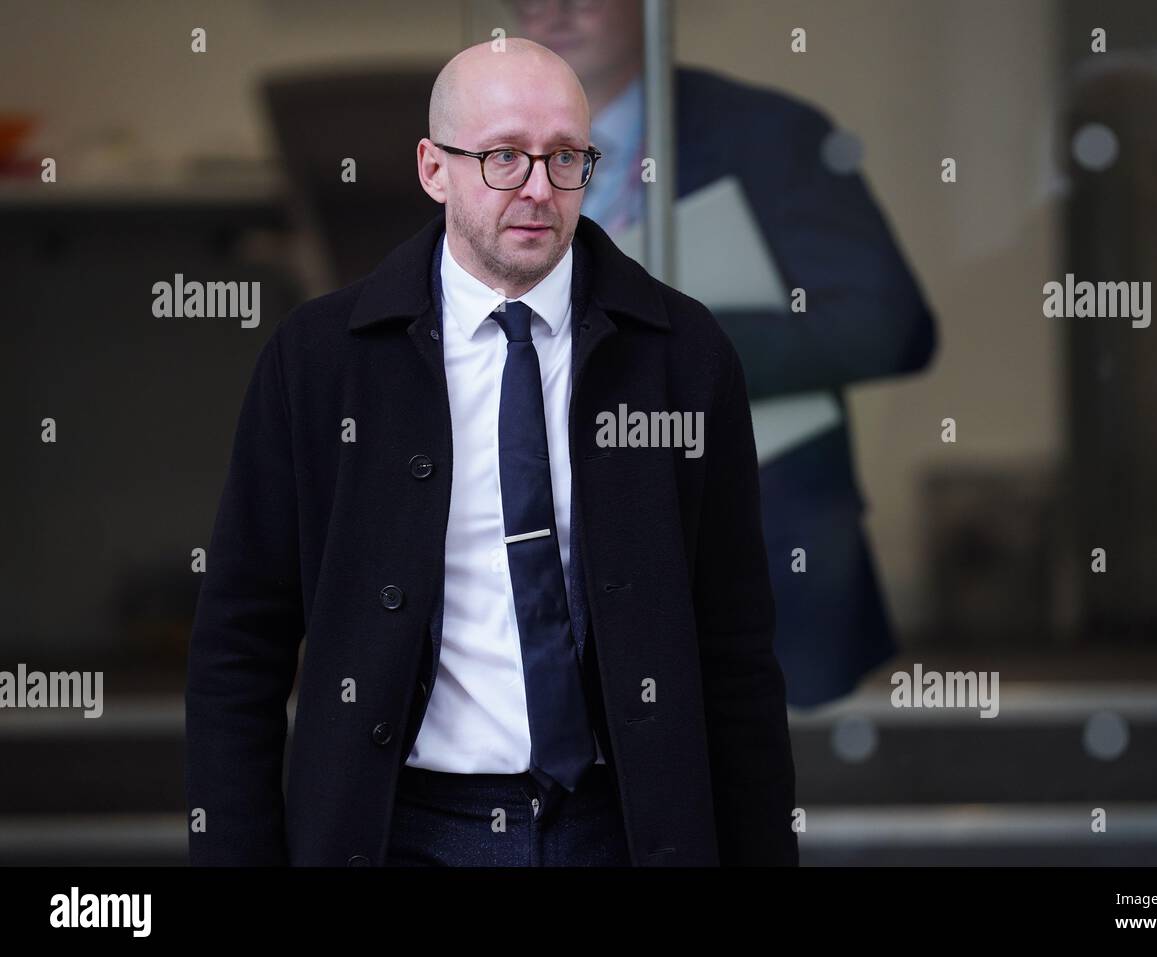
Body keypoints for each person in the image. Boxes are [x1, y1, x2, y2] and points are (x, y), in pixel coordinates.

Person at [184, 37, 798, 867]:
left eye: (565, 159)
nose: (539, 189)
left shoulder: (680, 354)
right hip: (402, 830)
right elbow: (239, 645)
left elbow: (735, 653)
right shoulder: (321, 360)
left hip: (620, 830)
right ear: (434, 169)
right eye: (505, 156)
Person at [508, 0, 936, 707]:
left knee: (775, 802)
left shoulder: (767, 135)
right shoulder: (487, 152)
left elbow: (889, 324)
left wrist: (661, 349)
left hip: (759, 555)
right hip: (558, 572)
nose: (549, 9)